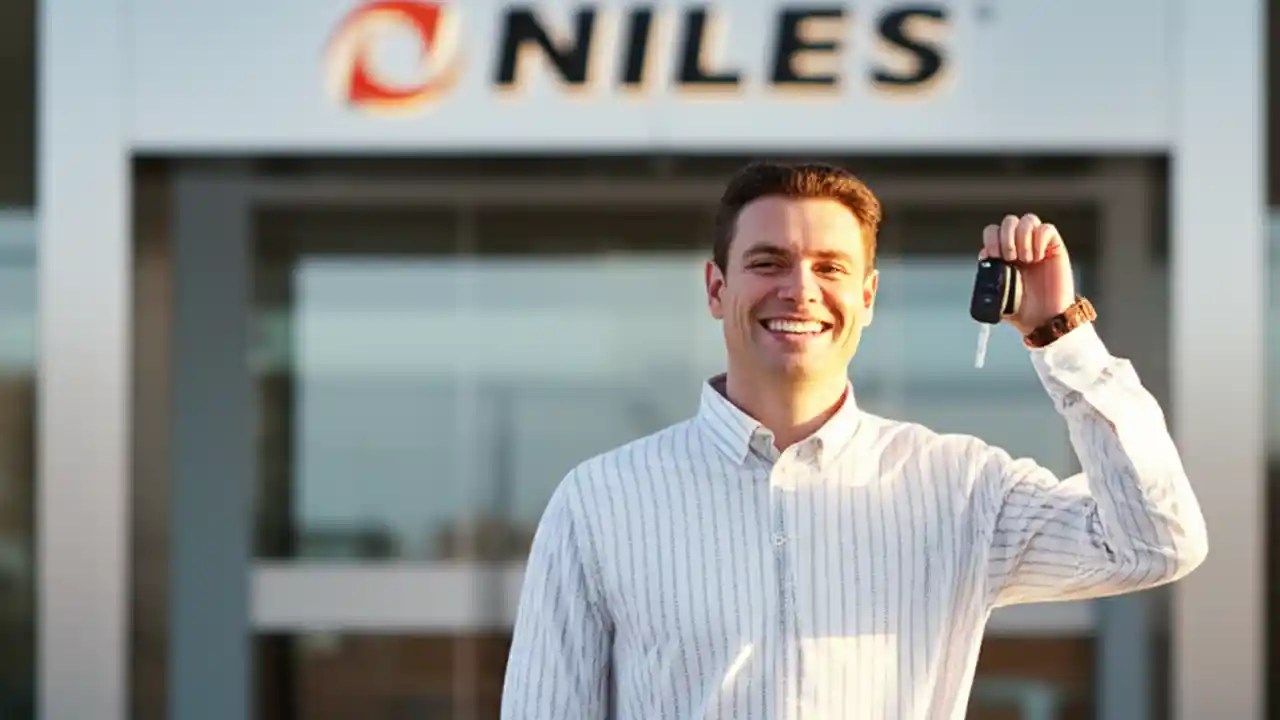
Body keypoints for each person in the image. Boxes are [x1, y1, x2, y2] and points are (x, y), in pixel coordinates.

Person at [498, 161, 1208, 719]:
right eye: (768, 262)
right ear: (716, 289)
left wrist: (1062, 337)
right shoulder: (600, 500)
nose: (801, 290)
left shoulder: (960, 488)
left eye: (830, 267)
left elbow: (1156, 543)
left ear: (867, 297)